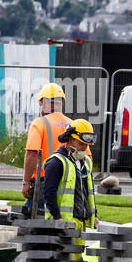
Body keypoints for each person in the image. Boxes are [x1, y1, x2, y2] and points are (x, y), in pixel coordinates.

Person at [22, 82, 90, 214]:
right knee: (64, 217)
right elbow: (87, 157)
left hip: (45, 183)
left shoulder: (39, 123)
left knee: (31, 218)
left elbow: (32, 154)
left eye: (41, 103)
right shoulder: (73, 124)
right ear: (61, 103)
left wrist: (25, 182)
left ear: (44, 103)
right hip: (71, 184)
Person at [40, 119, 99, 234]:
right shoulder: (56, 162)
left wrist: (94, 215)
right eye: (81, 143)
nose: (84, 148)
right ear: (70, 139)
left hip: (80, 223)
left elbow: (89, 193)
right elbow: (48, 192)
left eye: (87, 145)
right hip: (62, 224)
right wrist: (57, 218)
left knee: (77, 252)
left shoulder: (86, 162)